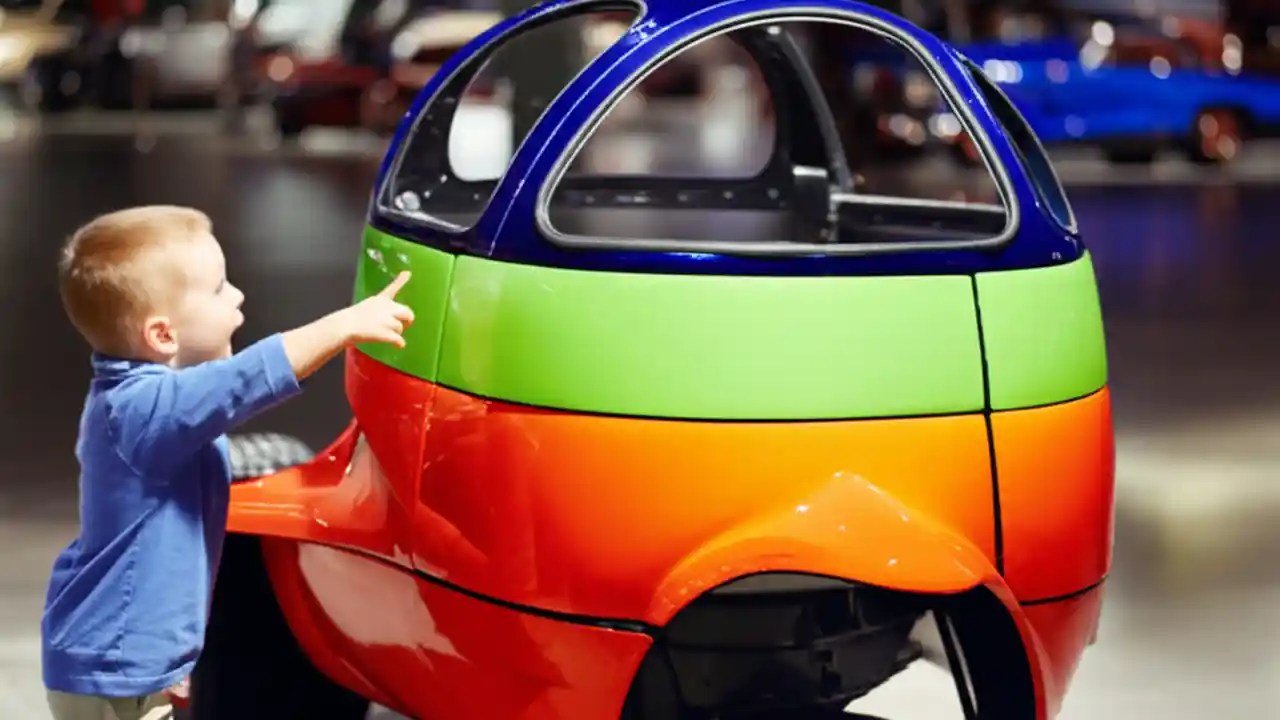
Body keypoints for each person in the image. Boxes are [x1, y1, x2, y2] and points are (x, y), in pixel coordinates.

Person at [41, 206, 413, 720]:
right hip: (113, 669)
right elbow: (243, 380)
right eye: (219, 289)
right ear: (162, 335)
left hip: (128, 663)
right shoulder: (141, 411)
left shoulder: (146, 407)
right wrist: (345, 325)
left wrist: (173, 652)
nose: (237, 296)